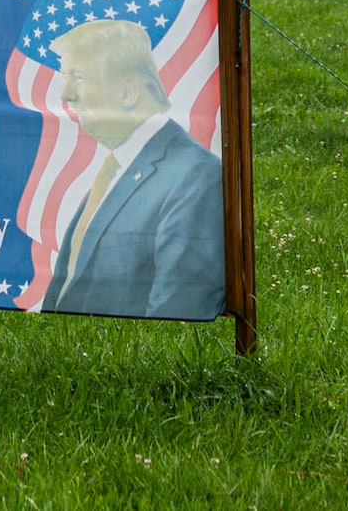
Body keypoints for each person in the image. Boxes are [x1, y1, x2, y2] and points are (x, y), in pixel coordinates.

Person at [42, 18, 226, 319]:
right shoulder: (117, 167)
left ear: (128, 94)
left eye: (77, 76)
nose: (66, 94)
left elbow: (179, 312)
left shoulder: (195, 178)